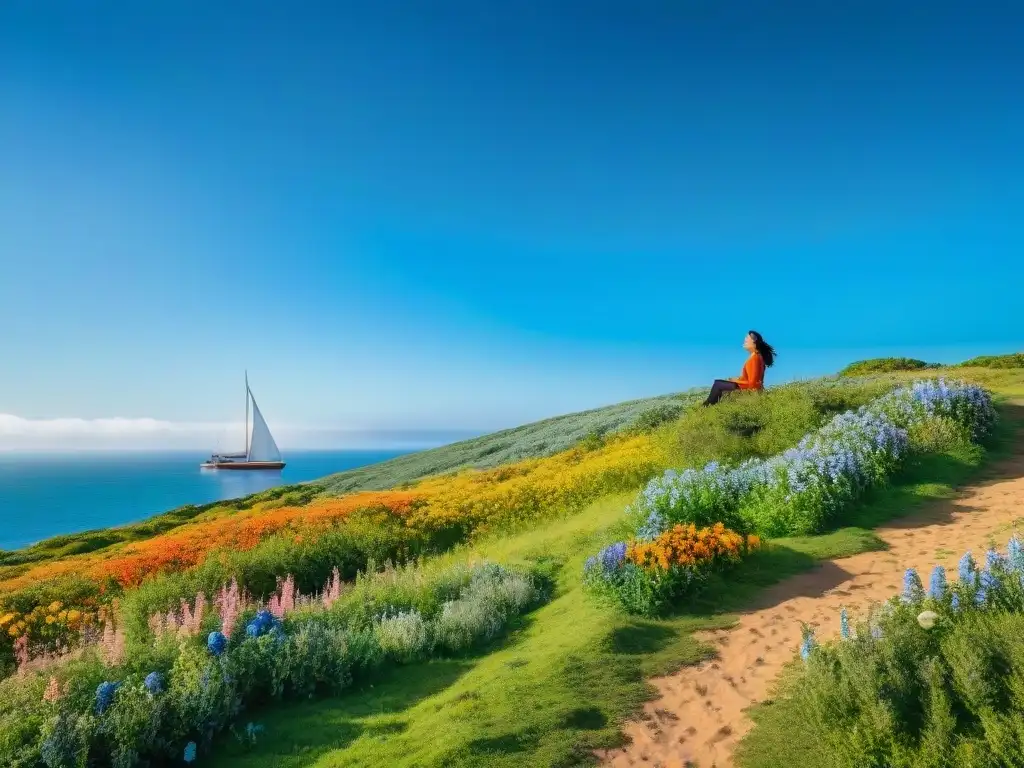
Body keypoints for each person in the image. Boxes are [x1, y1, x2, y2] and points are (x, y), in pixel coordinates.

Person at [702, 330, 776, 406]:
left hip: (749, 390)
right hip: (748, 387)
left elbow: (753, 383)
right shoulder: (756, 357)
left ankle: (705, 407)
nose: (745, 340)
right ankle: (709, 405)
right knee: (719, 383)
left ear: (754, 342)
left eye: (747, 339)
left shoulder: (755, 358)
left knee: (718, 384)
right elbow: (749, 379)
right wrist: (736, 380)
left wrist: (737, 382)